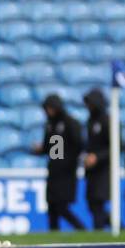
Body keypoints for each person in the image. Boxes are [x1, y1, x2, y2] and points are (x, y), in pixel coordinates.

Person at [33, 93, 84, 230]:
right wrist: (40, 149)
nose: (48, 111)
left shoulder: (70, 123)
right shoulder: (50, 124)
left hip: (66, 172)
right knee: (51, 205)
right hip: (53, 169)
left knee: (61, 206)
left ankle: (81, 228)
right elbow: (48, 147)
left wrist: (70, 161)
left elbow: (78, 144)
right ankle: (53, 232)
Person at [81, 88, 110, 230]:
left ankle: (96, 230)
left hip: (103, 169)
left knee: (98, 202)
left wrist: (97, 157)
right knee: (92, 203)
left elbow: (116, 146)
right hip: (91, 170)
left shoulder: (106, 120)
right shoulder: (90, 121)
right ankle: (111, 225)